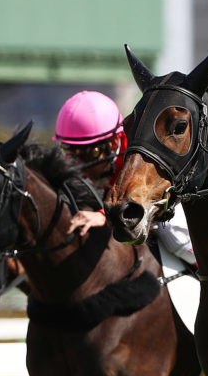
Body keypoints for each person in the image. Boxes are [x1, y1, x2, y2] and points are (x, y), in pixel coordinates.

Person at [56, 90, 196, 266]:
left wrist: (103, 217)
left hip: (166, 201)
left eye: (89, 153)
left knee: (173, 233)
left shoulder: (135, 158)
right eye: (71, 152)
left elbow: (145, 199)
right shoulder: (87, 163)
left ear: (114, 143)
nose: (78, 164)